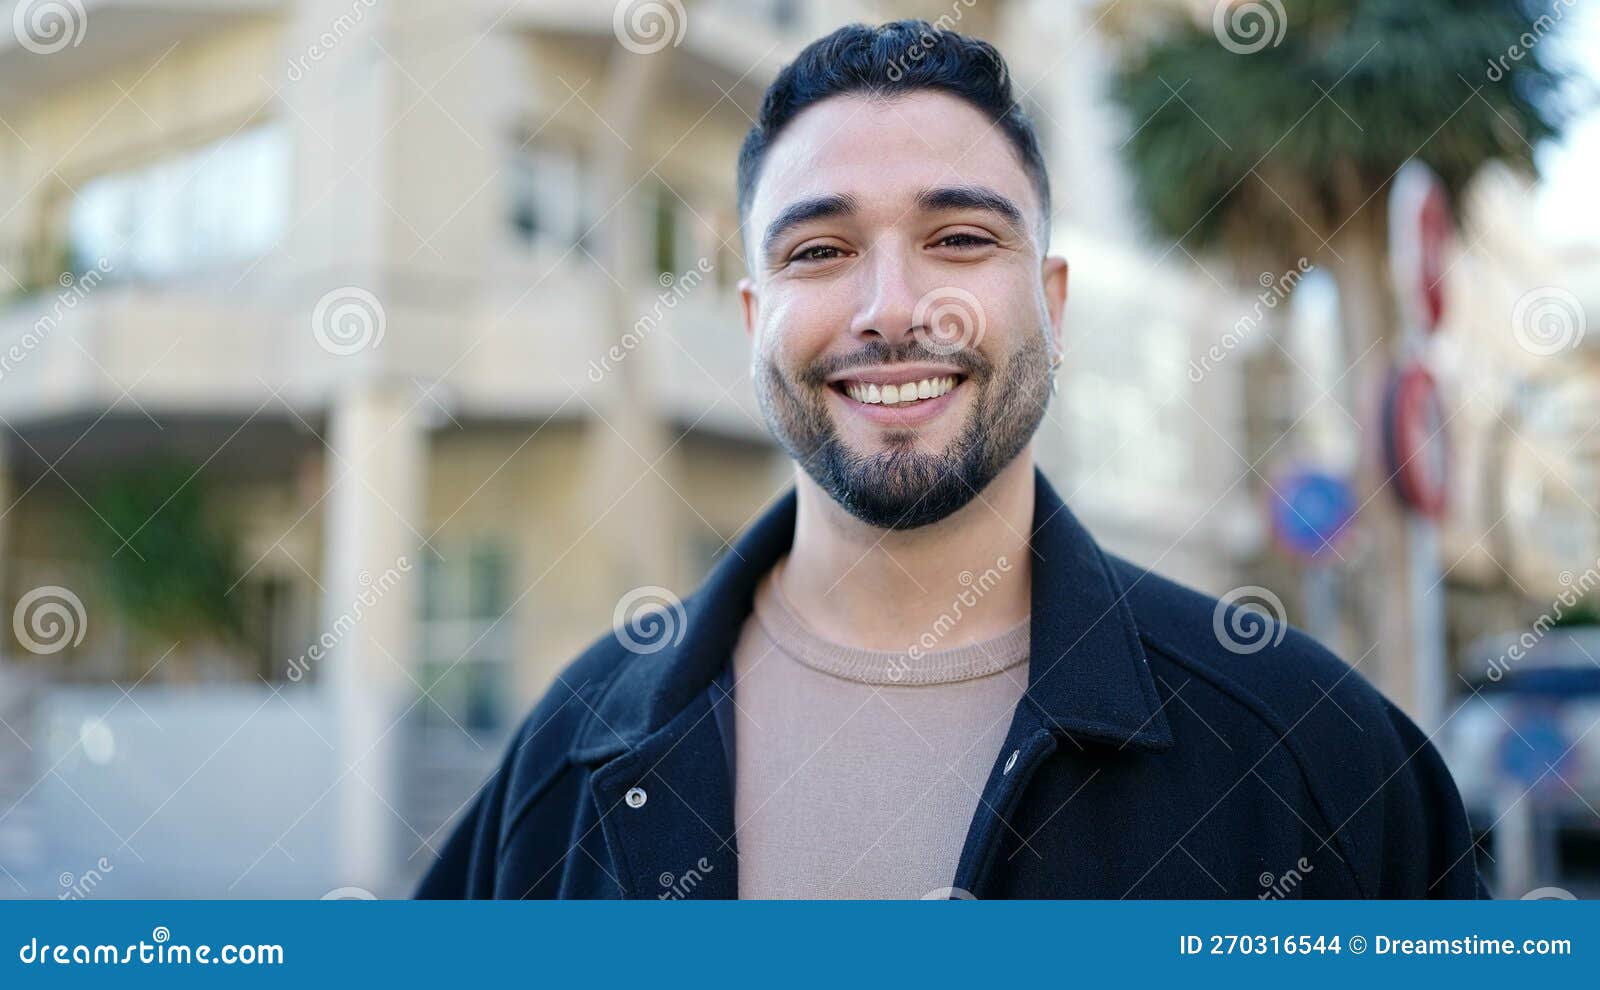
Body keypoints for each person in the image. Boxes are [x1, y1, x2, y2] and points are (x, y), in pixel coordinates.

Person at [416, 19, 1484, 900]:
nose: (891, 310)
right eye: (819, 251)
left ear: (1052, 306)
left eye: (961, 240)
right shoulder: (571, 754)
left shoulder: (1313, 756)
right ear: (754, 319)